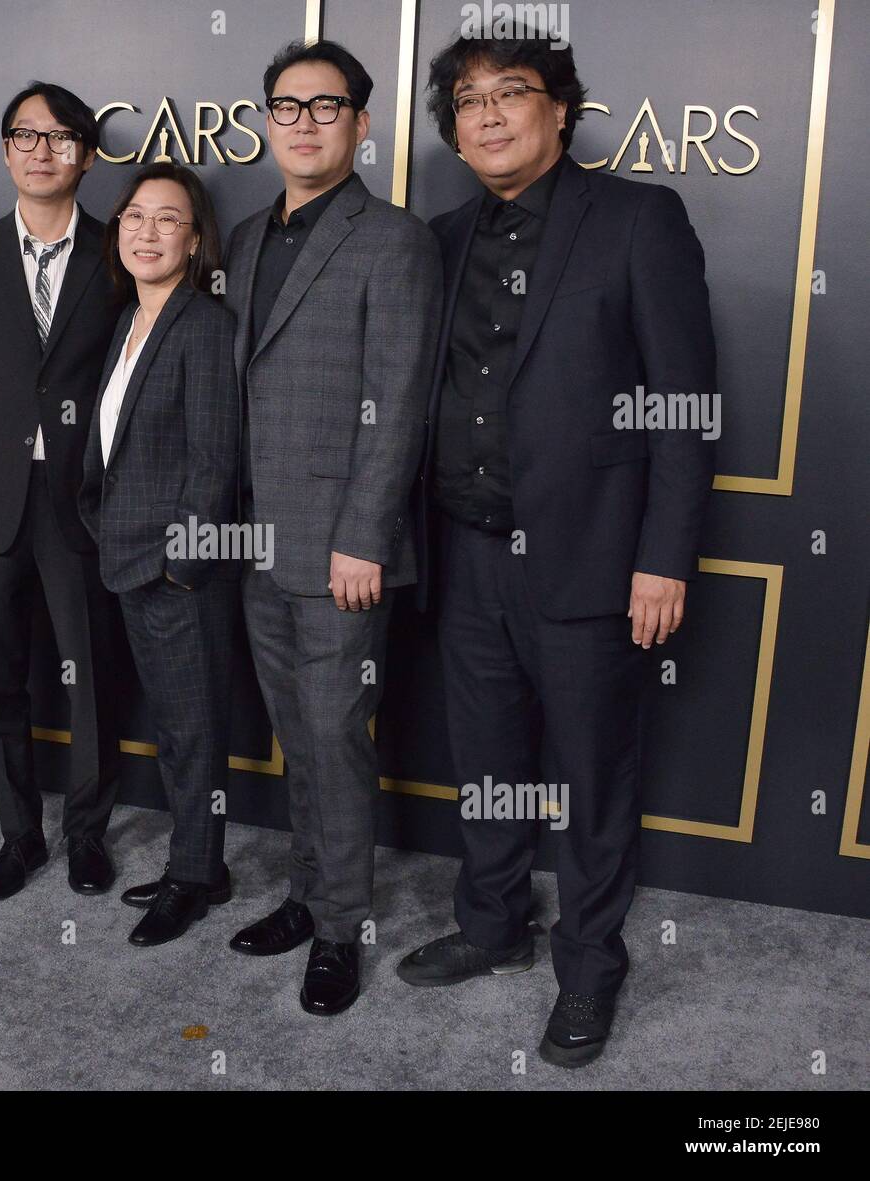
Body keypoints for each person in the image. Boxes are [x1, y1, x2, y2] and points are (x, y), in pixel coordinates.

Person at [399, 26, 716, 1068]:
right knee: (486, 764)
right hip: (466, 551)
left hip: (592, 559)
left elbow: (679, 399)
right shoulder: (439, 238)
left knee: (589, 777)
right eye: (468, 102)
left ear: (559, 110)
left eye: (511, 94)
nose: (486, 115)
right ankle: (491, 923)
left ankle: (589, 966)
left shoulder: (635, 218)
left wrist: (663, 557)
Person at [223, 40, 442, 1015]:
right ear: (266, 121)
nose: (303, 122)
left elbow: (398, 404)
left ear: (360, 123)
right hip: (254, 545)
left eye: (325, 105)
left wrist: (365, 534)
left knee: (336, 738)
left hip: (341, 549)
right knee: (295, 738)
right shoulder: (239, 237)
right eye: (285, 105)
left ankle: (342, 926)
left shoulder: (394, 239)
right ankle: (309, 899)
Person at [0, 83, 123, 902]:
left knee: (92, 678)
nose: (41, 150)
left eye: (60, 136)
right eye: (24, 135)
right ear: (5, 152)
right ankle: (20, 834)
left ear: (86, 152)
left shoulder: (120, 252)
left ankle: (87, 833)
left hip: (83, 499)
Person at [78, 163, 240, 947]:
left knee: (192, 730)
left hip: (176, 571)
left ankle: (196, 876)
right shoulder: (130, 320)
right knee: (178, 726)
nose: (146, 232)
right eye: (134, 216)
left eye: (167, 219)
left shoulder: (203, 325)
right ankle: (200, 861)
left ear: (196, 238)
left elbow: (215, 460)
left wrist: (184, 563)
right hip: (129, 556)